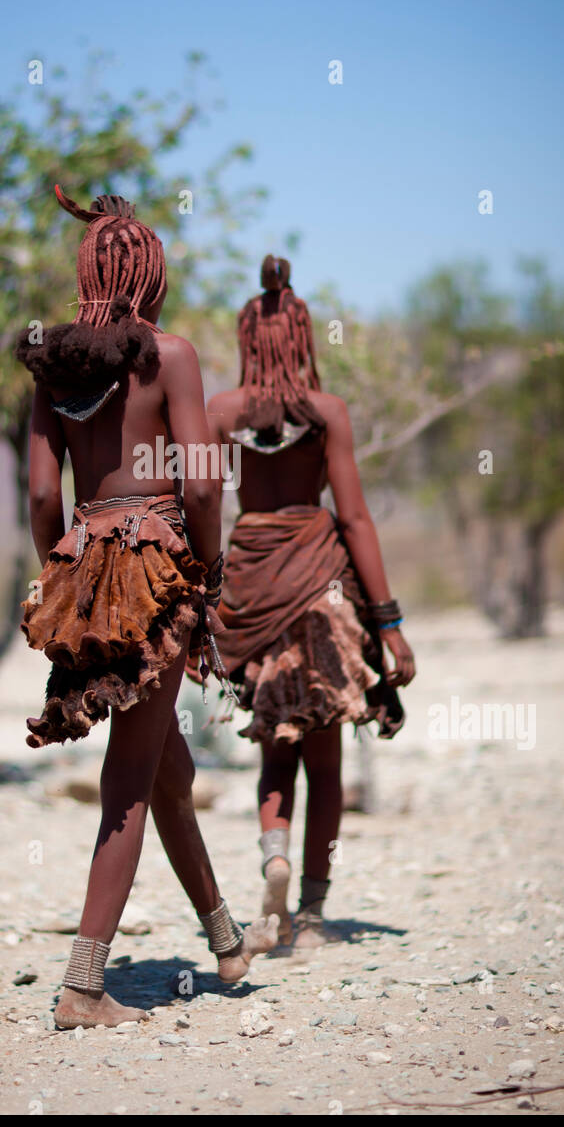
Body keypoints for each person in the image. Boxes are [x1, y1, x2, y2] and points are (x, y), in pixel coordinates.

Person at [15, 187, 277, 1029]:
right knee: (129, 777)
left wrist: (64, 579)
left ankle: (227, 940)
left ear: (87, 268)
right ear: (149, 272)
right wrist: (201, 572)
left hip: (87, 564)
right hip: (158, 565)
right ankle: (84, 988)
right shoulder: (172, 355)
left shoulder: (52, 368)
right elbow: (202, 480)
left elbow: (37, 494)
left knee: (168, 769)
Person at [206, 256, 416, 948]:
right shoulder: (327, 414)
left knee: (275, 749)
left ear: (247, 341)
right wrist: (389, 625)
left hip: (253, 587)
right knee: (326, 762)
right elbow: (355, 519)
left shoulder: (220, 414)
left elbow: (202, 505)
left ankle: (273, 861)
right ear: (303, 339)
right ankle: (315, 916)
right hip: (324, 590)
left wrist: (203, 609)